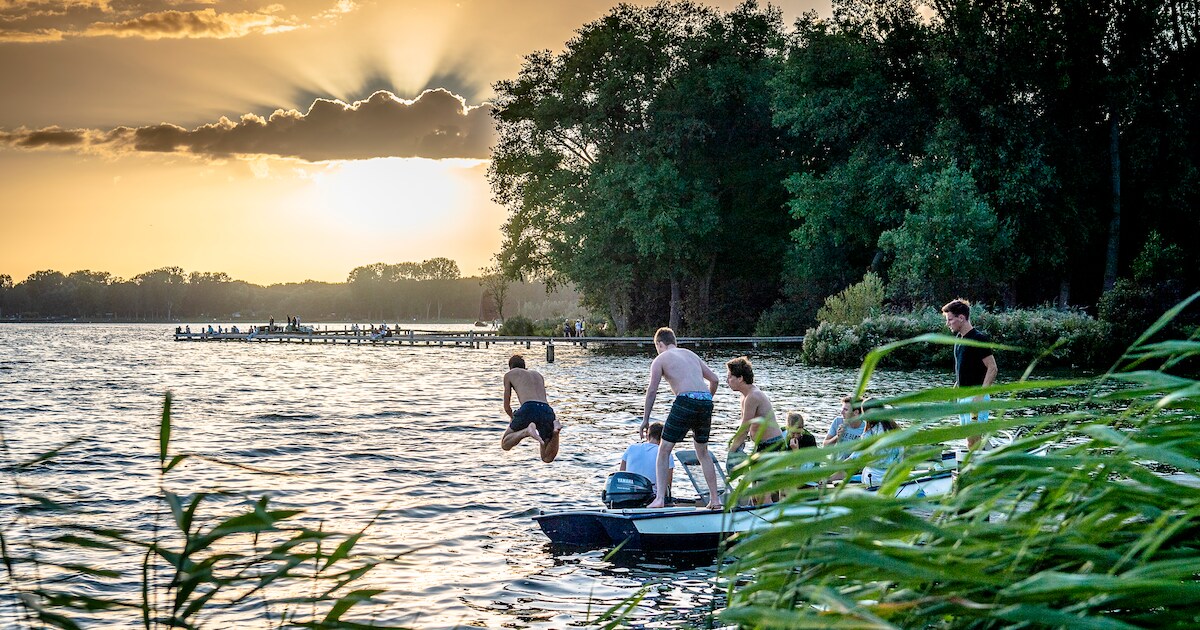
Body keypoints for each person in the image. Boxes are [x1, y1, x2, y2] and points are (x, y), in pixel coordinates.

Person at [641, 327, 722, 509]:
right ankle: (715, 500)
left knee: (664, 450)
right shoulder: (690, 354)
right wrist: (705, 400)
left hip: (685, 400)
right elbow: (715, 380)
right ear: (674, 342)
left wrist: (645, 419)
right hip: (705, 401)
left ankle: (660, 499)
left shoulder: (660, 359)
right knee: (703, 452)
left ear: (660, 344)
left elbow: (652, 390)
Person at [941, 298, 998, 450]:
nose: (948, 324)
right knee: (968, 440)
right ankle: (972, 468)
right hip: (963, 397)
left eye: (950, 319)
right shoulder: (959, 340)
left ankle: (979, 470)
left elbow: (992, 368)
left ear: (961, 317)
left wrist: (980, 395)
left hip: (976, 397)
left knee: (974, 440)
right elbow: (964, 368)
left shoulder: (978, 339)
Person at [502, 354, 561, 463]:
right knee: (547, 458)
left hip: (528, 407)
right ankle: (555, 432)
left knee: (505, 444)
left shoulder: (510, 374)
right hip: (547, 410)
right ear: (524, 366)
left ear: (510, 366)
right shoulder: (538, 375)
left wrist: (512, 417)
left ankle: (526, 431)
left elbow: (506, 407)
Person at [726, 357, 784, 454]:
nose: (727, 381)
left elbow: (745, 429)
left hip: (772, 445)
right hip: (761, 444)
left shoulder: (753, 396)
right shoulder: (745, 397)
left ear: (740, 378)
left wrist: (731, 451)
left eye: (730, 377)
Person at [620, 421, 674, 498]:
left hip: (629, 495)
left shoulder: (631, 449)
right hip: (651, 497)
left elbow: (622, 474)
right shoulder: (666, 454)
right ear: (663, 437)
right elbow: (667, 486)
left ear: (647, 436)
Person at [861, 417, 902, 487]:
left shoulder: (870, 433)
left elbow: (859, 454)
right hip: (892, 475)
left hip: (872, 477)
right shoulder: (897, 432)